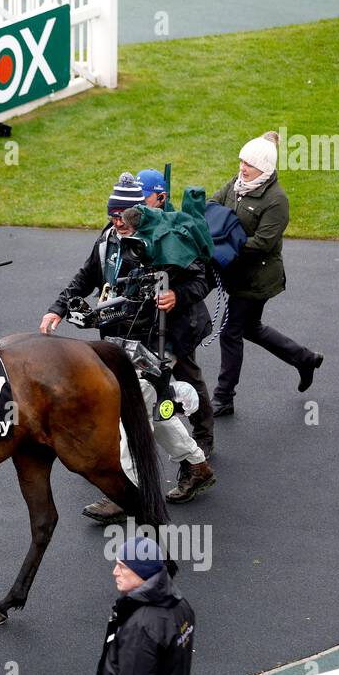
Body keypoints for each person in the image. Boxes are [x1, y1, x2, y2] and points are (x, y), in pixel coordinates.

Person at [39, 174, 214, 520]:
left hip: (160, 340)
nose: (116, 222)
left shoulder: (164, 241)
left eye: (123, 216)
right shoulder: (108, 238)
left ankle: (126, 495)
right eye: (112, 214)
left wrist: (177, 295)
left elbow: (202, 278)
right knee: (152, 411)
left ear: (138, 212)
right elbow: (87, 276)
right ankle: (197, 466)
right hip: (121, 341)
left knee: (127, 414)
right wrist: (58, 308)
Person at [209, 132, 323, 416]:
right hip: (236, 272)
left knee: (230, 331)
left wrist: (223, 242)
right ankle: (305, 358)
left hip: (257, 278)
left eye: (249, 163)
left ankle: (224, 397)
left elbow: (262, 243)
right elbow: (212, 206)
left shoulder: (276, 200)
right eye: (241, 161)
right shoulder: (236, 184)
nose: (242, 167)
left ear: (266, 168)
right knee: (250, 328)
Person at [137, 167, 214, 458]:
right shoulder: (136, 224)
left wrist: (176, 296)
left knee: (188, 375)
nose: (137, 205)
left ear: (161, 196)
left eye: (143, 198)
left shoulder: (180, 230)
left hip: (182, 323)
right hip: (148, 323)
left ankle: (204, 436)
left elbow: (203, 281)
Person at [85, 536, 194, 675]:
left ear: (141, 572)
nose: (115, 572)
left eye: (122, 567)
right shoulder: (182, 607)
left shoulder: (141, 626)